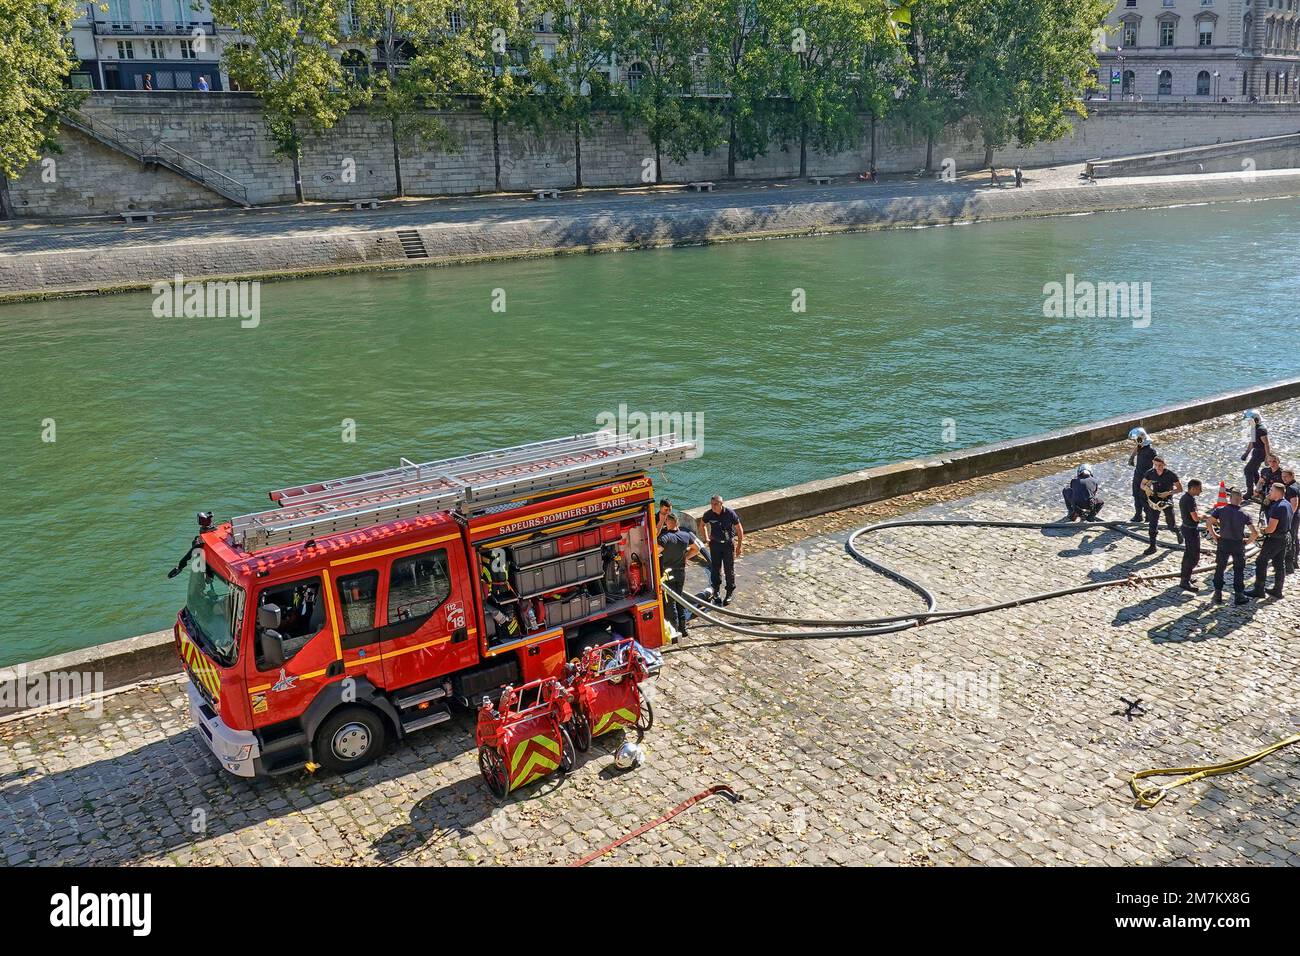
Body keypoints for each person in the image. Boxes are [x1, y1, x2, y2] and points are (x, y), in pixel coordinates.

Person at [1207, 488, 1257, 605]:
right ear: (1240, 500)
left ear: (1230, 499)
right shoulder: (1245, 514)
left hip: (1223, 542)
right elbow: (1255, 533)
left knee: (1220, 568)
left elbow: (1209, 522)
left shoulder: (1220, 510)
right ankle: (1239, 595)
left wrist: (1214, 535)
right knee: (1239, 570)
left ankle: (1217, 593)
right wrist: (1247, 542)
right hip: (1237, 544)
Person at [657, 512, 699, 637]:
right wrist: (685, 557)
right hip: (681, 572)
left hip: (667, 573)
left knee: (670, 602)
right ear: (678, 523)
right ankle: (684, 628)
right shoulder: (686, 536)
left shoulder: (665, 537)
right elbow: (696, 549)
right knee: (680, 598)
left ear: (668, 522)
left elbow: (655, 551)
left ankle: (675, 630)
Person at [700, 495, 744, 605]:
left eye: (715, 504)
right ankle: (716, 591)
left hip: (728, 545)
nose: (713, 506)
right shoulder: (709, 514)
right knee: (715, 568)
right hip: (715, 545)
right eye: (712, 504)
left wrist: (739, 546)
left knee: (729, 569)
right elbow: (702, 525)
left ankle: (729, 592)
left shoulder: (730, 513)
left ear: (721, 504)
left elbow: (739, 529)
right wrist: (706, 538)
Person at [1251, 483, 1293, 599]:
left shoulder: (1278, 507)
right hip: (1284, 538)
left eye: (1271, 490)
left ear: (1278, 492)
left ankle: (1259, 589)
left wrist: (1262, 531)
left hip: (1274, 539)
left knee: (1261, 561)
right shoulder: (1287, 504)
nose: (1269, 491)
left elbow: (1271, 528)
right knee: (1279, 564)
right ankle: (1277, 590)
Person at [1140, 456, 1183, 555]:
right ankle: (1152, 546)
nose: (1158, 467)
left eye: (1160, 465)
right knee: (1152, 524)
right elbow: (1142, 484)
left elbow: (1180, 489)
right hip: (1154, 500)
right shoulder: (1150, 473)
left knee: (1171, 524)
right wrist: (1146, 489)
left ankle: (1177, 532)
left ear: (1164, 464)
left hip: (1166, 501)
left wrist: (1168, 493)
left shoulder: (1171, 475)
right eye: (1155, 465)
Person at [1177, 479, 1204, 592]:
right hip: (1190, 530)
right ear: (1192, 488)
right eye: (1199, 489)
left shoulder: (1185, 498)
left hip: (1186, 528)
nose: (1201, 491)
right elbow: (1195, 518)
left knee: (1188, 554)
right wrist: (1205, 517)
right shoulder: (1189, 501)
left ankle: (1186, 576)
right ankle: (1185, 581)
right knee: (1193, 556)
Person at [1127, 427, 1157, 523]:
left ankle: (1149, 516)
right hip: (1137, 475)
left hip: (1146, 478)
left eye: (1136, 440)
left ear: (1141, 439)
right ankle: (1138, 515)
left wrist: (1154, 478)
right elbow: (1137, 448)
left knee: (1143, 497)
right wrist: (1132, 458)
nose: (1135, 442)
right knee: (1136, 495)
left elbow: (1156, 464)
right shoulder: (1140, 446)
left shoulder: (1151, 451)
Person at [1240, 409, 1270, 501]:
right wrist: (1246, 453)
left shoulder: (1261, 430)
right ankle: (1260, 489)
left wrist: (1267, 457)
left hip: (1261, 453)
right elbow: (1252, 442)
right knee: (1254, 471)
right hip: (1256, 452)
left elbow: (1266, 444)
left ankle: (1250, 492)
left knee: (1248, 470)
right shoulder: (1253, 429)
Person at [1282, 468, 1300, 572]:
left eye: (1285, 477)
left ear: (1292, 476)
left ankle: (1291, 563)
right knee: (1295, 537)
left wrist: (1288, 517)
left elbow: (1294, 504)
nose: (1283, 478)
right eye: (1282, 476)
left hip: (1293, 516)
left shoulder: (1292, 488)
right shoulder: (1297, 485)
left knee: (1291, 539)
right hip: (1297, 514)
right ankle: (1295, 561)